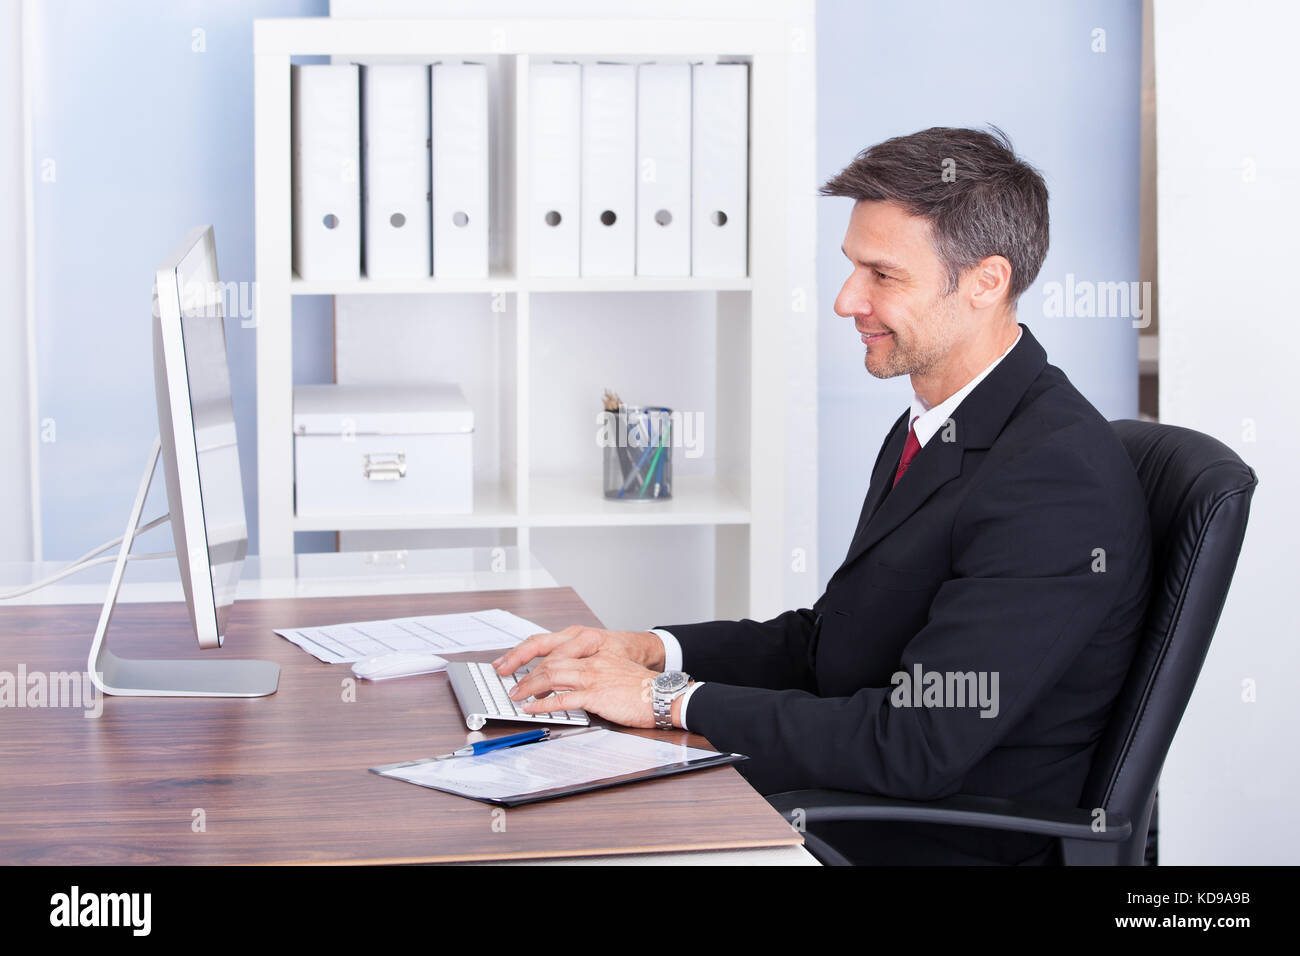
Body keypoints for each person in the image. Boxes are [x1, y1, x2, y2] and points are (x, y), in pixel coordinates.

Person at [492, 126, 1152, 865]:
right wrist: (650, 651)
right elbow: (831, 642)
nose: (846, 301)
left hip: (927, 841)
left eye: (883, 275)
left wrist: (660, 700)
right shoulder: (945, 425)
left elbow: (918, 742)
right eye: (851, 269)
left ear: (986, 282)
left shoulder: (1052, 480)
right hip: (853, 802)